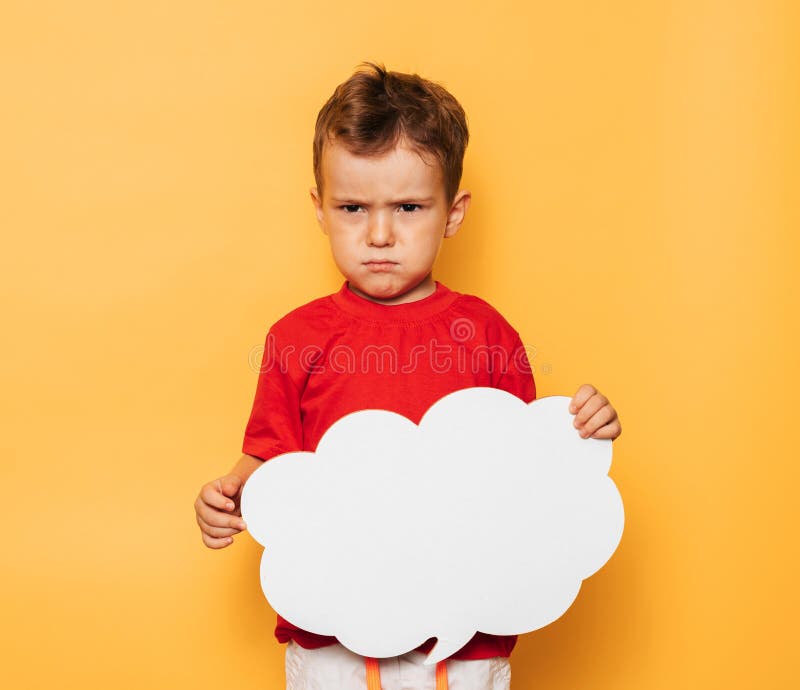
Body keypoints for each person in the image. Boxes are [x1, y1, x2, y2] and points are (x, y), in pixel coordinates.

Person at [194, 61, 622, 690]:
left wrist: (583, 435)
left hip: (463, 639)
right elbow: (271, 462)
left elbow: (525, 476)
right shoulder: (295, 339)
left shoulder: (486, 334)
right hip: (331, 636)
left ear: (453, 212)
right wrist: (229, 495)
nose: (380, 234)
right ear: (320, 209)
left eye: (409, 206)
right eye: (352, 207)